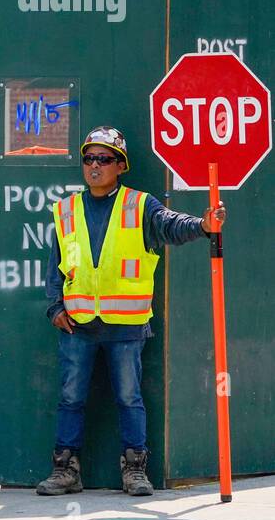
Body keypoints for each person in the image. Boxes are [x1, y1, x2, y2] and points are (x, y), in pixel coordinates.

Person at [36, 126, 226, 497]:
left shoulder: (140, 205)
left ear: (120, 165)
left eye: (104, 159)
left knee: (129, 397)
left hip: (127, 326)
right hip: (78, 325)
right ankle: (65, 470)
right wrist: (54, 307)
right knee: (71, 398)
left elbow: (172, 226)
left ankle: (135, 471)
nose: (94, 165)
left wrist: (203, 226)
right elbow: (56, 263)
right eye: (89, 158)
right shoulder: (66, 210)